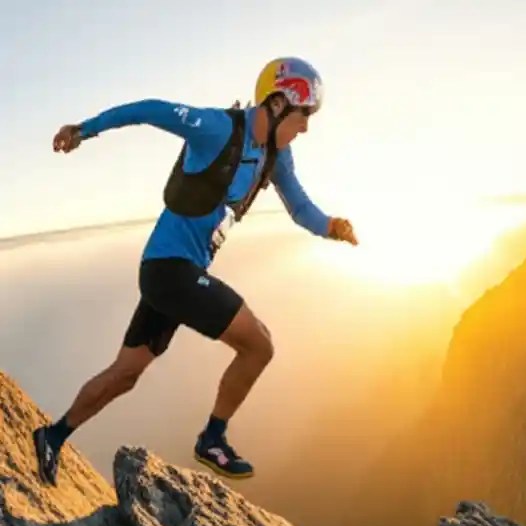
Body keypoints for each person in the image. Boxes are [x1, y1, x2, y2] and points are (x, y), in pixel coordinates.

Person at [32, 57, 359, 484]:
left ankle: (52, 436)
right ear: (278, 104)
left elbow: (299, 207)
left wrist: (332, 227)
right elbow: (150, 109)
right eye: (303, 116)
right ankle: (213, 439)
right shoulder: (218, 128)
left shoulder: (276, 158)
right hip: (169, 270)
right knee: (259, 345)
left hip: (174, 275)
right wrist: (83, 129)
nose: (306, 128)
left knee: (125, 374)